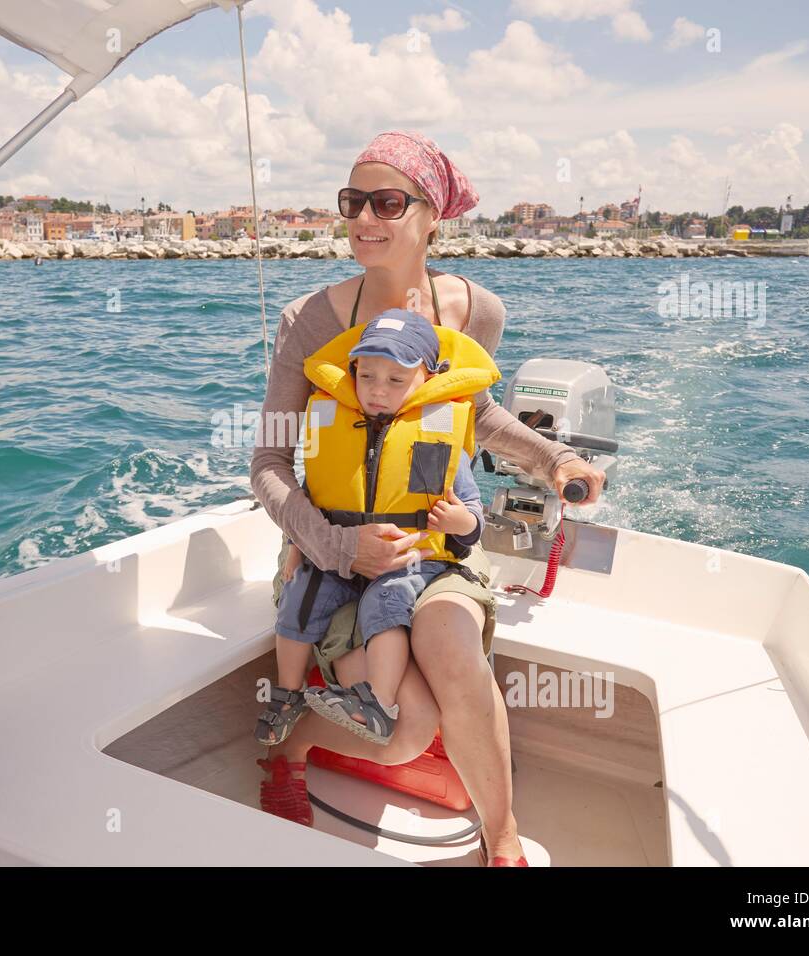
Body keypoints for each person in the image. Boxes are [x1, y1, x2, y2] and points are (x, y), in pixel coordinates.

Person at [250, 131, 605, 866]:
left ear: (432, 215)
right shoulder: (309, 323)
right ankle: (288, 752)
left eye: (387, 202)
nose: (364, 220)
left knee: (450, 648)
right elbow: (269, 462)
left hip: (437, 549)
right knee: (407, 729)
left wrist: (556, 457)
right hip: (333, 558)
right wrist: (339, 546)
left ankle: (501, 840)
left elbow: (471, 413)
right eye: (353, 203)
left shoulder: (477, 311)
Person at [257, 308, 496, 748]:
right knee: (300, 596)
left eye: (395, 380)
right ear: (352, 372)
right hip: (335, 552)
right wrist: (297, 544)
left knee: (385, 605)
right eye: (367, 377)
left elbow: (473, 514)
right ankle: (286, 693)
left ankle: (378, 704)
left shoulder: (437, 429)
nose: (377, 392)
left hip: (407, 557)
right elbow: (314, 493)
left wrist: (460, 521)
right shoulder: (335, 422)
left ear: (428, 377)